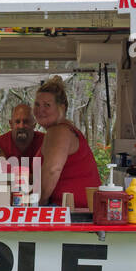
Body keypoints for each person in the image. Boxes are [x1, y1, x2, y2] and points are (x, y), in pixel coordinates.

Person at [33, 76, 100, 209]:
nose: (40, 110)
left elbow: (53, 170)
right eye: (37, 104)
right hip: (77, 207)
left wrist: (38, 203)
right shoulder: (66, 129)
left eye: (47, 105)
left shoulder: (59, 131)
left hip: (72, 209)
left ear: (61, 108)